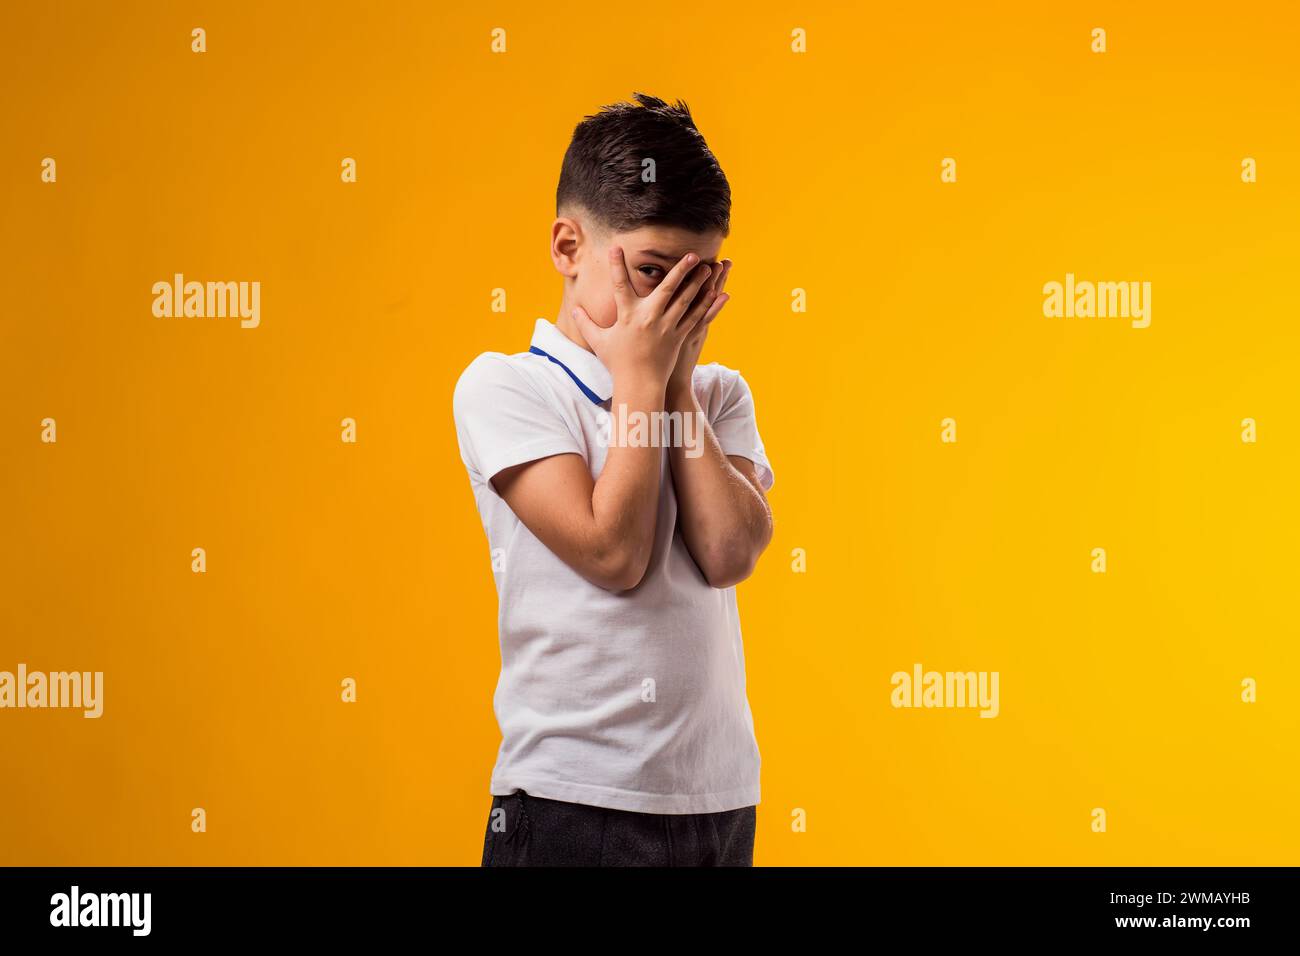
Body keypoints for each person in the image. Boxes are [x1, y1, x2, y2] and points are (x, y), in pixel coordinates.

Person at [453, 93, 774, 866]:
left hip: (718, 799)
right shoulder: (508, 388)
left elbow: (731, 550)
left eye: (697, 286)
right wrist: (641, 379)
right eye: (654, 273)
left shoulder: (715, 392)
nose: (674, 308)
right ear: (568, 246)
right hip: (576, 801)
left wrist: (673, 383)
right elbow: (613, 554)